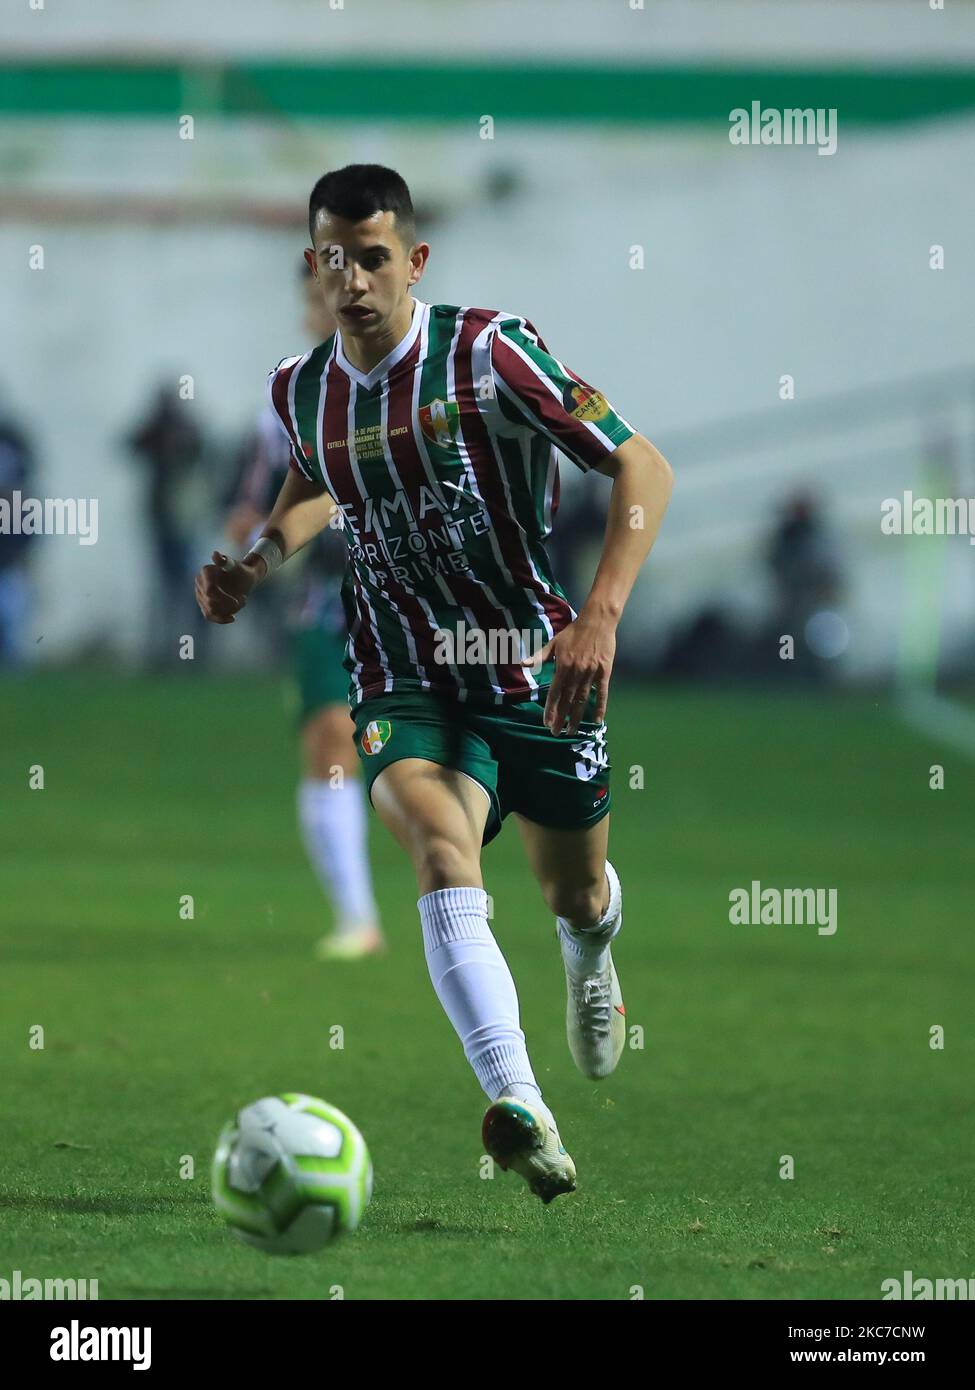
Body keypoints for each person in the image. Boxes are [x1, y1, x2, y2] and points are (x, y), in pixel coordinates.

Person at [196, 164, 673, 1203]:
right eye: (335, 259)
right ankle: (523, 1107)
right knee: (440, 848)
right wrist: (257, 562)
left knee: (573, 889)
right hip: (402, 673)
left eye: (374, 258)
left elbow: (644, 468)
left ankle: (592, 949)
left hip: (532, 671)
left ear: (413, 261)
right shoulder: (303, 387)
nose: (354, 280)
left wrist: (598, 619)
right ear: (314, 265)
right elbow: (318, 482)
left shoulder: (492, 352)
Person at [225, 264, 383, 961]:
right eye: (315, 293)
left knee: (427, 765)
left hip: (420, 598)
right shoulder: (289, 395)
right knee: (328, 743)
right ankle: (358, 918)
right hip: (328, 599)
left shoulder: (425, 379)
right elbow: (258, 501)